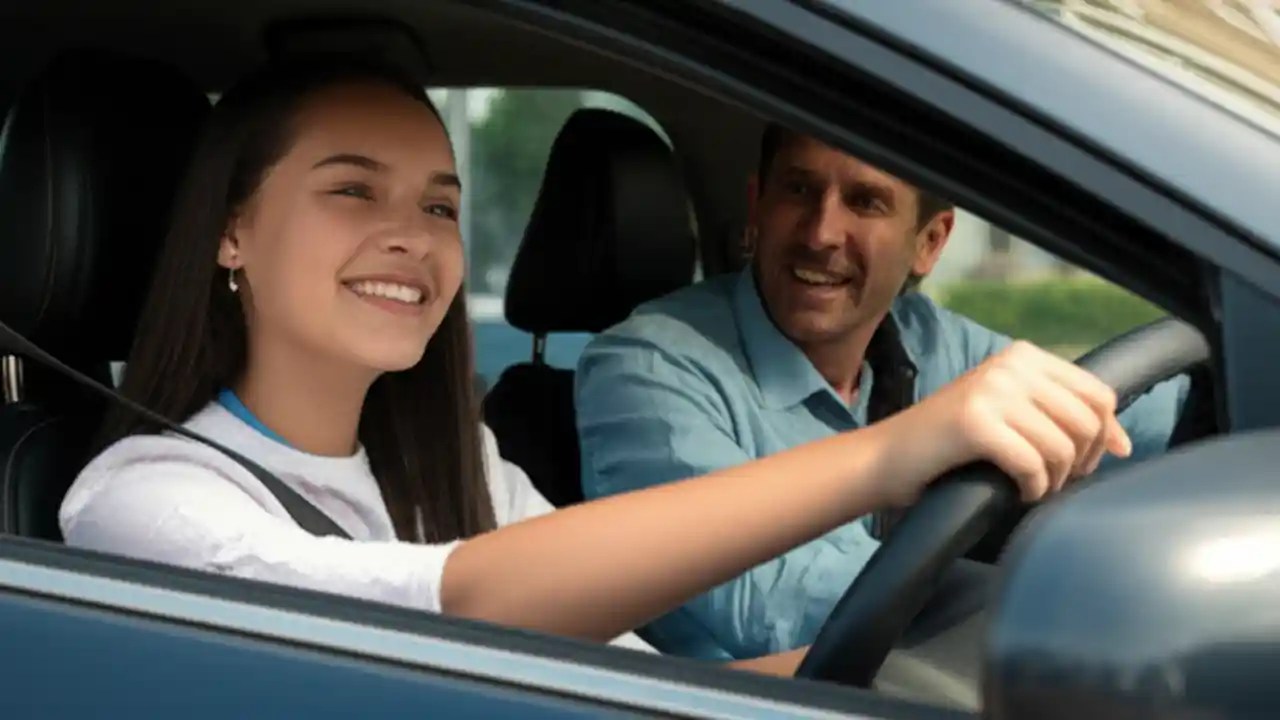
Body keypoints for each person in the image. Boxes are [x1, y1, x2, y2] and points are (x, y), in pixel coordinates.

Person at [60, 56, 1131, 678]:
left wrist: (957, 670)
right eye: (354, 190)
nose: (413, 235)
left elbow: (647, 686)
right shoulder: (140, 504)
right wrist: (892, 456)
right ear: (229, 232)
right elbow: (452, 608)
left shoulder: (460, 469)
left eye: (438, 204)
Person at [575, 125, 1190, 661]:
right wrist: (1074, 615)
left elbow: (1126, 408)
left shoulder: (931, 343)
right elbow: (779, 603)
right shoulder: (648, 367)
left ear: (929, 243)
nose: (821, 232)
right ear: (757, 208)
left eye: (865, 202)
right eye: (799, 190)